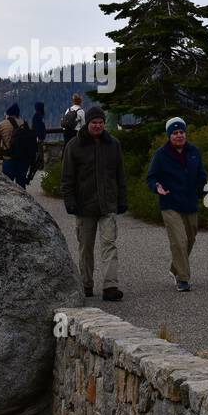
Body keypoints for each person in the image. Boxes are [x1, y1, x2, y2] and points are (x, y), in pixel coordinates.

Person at [60, 106, 126, 301]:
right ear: (87, 123)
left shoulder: (113, 144)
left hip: (108, 206)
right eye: (94, 123)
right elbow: (67, 177)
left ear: (104, 123)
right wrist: (70, 201)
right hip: (84, 206)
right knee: (85, 248)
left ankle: (110, 286)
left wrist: (122, 200)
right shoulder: (74, 145)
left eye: (100, 122)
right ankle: (86, 284)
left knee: (109, 245)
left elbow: (120, 175)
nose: (97, 126)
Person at [146, 116, 208, 293]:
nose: (179, 135)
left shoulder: (194, 152)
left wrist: (206, 191)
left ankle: (175, 268)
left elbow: (202, 176)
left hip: (190, 203)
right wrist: (156, 187)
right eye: (175, 133)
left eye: (181, 132)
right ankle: (183, 279)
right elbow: (151, 177)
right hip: (170, 202)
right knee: (179, 241)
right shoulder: (161, 155)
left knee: (189, 240)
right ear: (169, 135)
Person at [0, 103, 34, 188]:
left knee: (8, 186)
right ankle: (23, 201)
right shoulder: (24, 123)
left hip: (9, 158)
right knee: (21, 185)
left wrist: (0, 155)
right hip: (23, 159)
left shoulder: (1, 125)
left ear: (8, 114)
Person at [26, 101, 47, 184]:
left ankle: (30, 175)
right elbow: (38, 128)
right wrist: (39, 137)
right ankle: (30, 176)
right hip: (38, 139)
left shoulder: (36, 116)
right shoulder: (38, 116)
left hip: (36, 139)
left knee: (37, 159)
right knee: (38, 159)